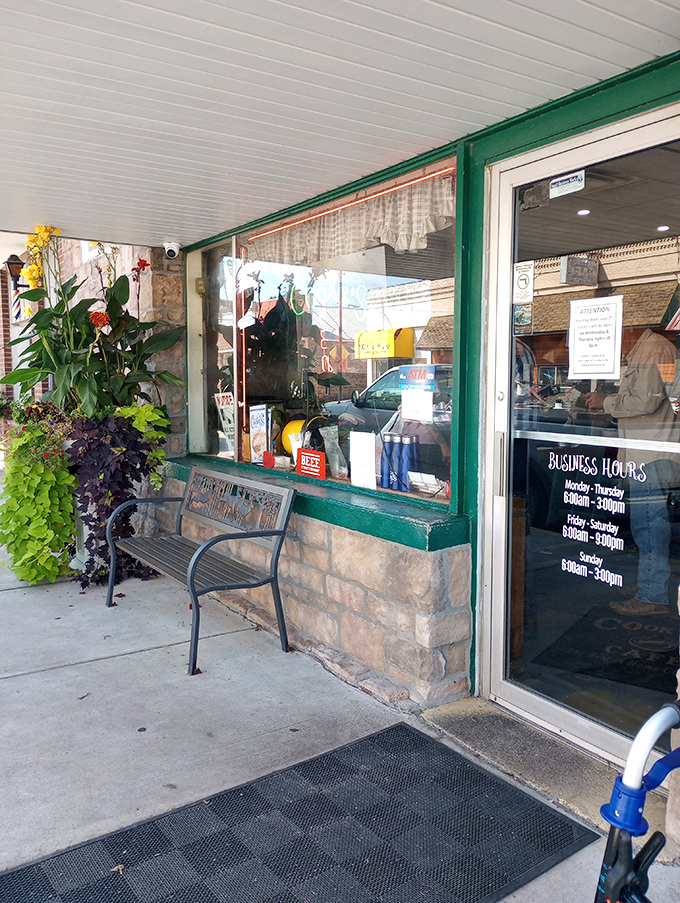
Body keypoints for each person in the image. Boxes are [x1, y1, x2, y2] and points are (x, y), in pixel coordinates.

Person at [581, 328, 680, 615]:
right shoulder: (645, 349)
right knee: (647, 525)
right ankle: (649, 584)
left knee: (649, 526)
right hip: (647, 452)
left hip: (654, 453)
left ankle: (652, 595)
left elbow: (647, 401)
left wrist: (606, 402)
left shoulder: (654, 349)